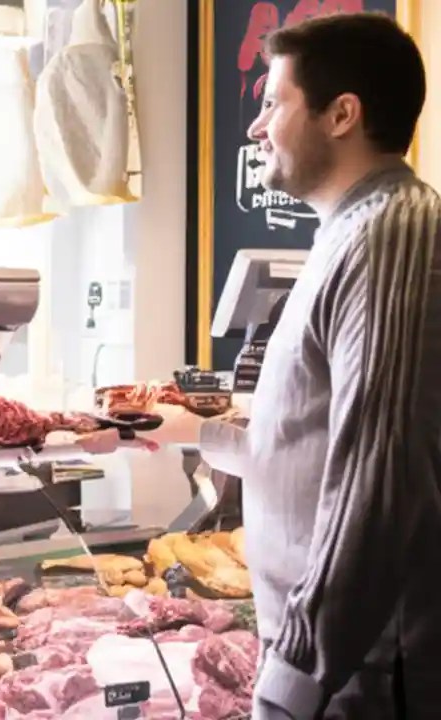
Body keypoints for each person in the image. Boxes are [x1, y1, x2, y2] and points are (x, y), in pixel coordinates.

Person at [199, 12, 441, 718]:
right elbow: (306, 440)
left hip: (361, 678)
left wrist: (293, 681)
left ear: (342, 115)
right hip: (338, 670)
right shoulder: (350, 232)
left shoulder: (392, 234)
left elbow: (381, 481)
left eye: (273, 103)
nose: (256, 127)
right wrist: (199, 434)